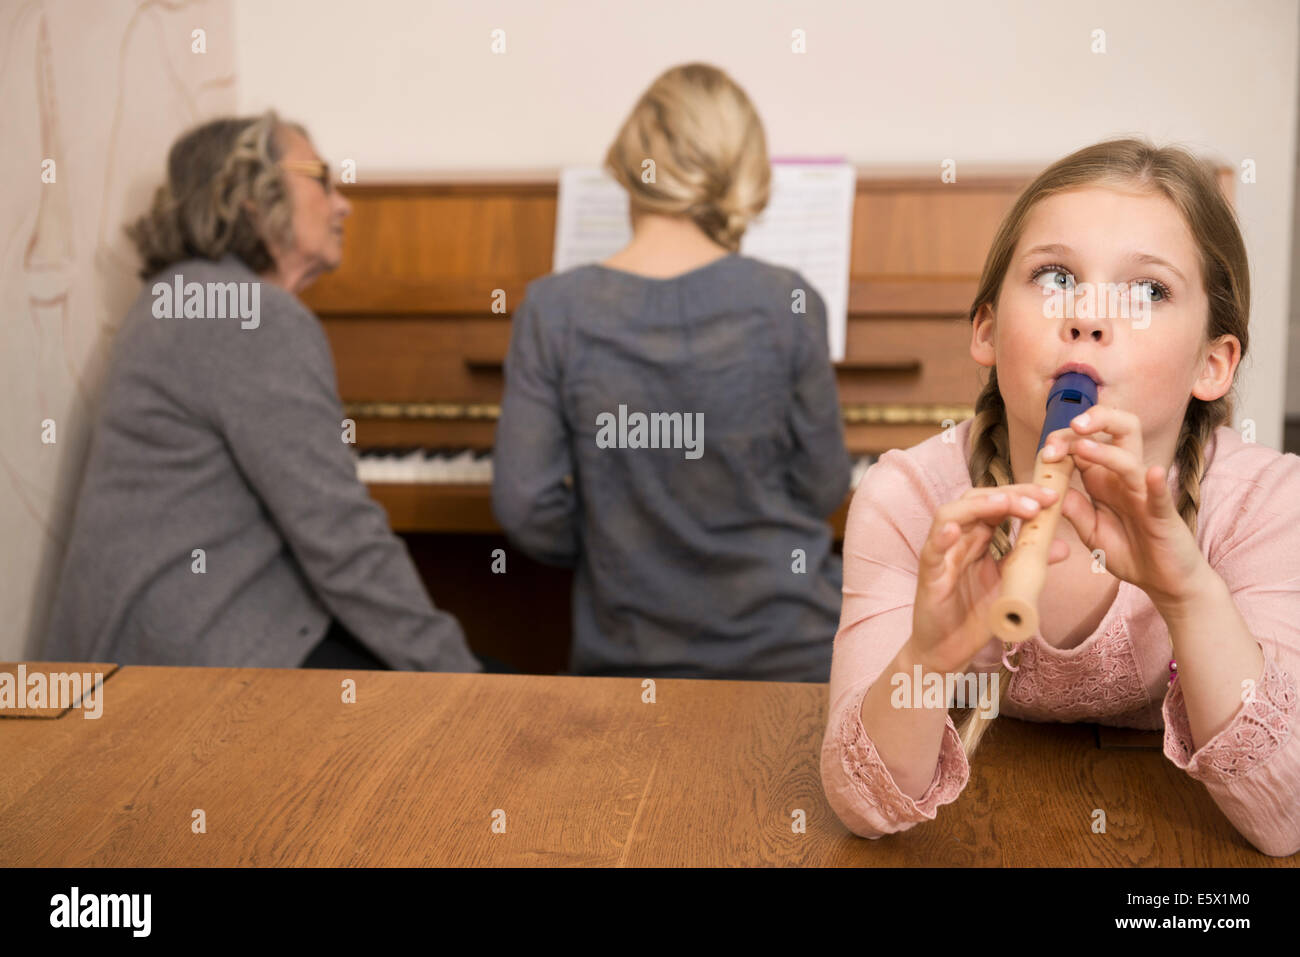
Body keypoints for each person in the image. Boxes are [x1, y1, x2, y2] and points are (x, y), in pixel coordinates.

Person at [820, 137, 1300, 857]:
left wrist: (1189, 592)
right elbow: (863, 805)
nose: (1088, 316)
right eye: (1054, 276)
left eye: (1147, 291)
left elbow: (1285, 814)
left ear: (1213, 362)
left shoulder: (1267, 503)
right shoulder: (910, 498)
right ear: (985, 329)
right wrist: (926, 657)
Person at [43, 111, 481, 674]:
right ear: (249, 195)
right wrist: (462, 683)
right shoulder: (249, 313)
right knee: (507, 703)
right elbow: (341, 539)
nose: (343, 203)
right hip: (194, 657)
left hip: (148, 637)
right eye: (320, 178)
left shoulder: (183, 295)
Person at [492, 63, 852, 681]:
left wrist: (621, 544)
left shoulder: (553, 309)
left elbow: (524, 507)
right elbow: (824, 487)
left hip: (631, 662)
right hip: (792, 656)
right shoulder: (788, 300)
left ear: (633, 159)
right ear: (742, 169)